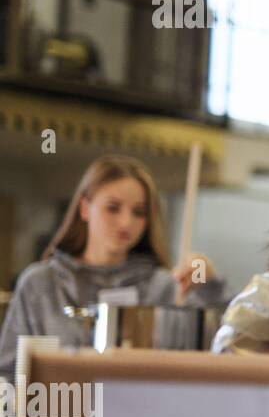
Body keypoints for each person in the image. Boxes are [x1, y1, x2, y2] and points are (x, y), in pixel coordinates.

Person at [0, 154, 228, 382]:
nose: (126, 223)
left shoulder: (165, 286)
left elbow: (221, 350)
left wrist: (207, 284)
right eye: (113, 208)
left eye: (138, 212)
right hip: (54, 413)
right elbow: (8, 372)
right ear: (85, 208)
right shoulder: (41, 283)